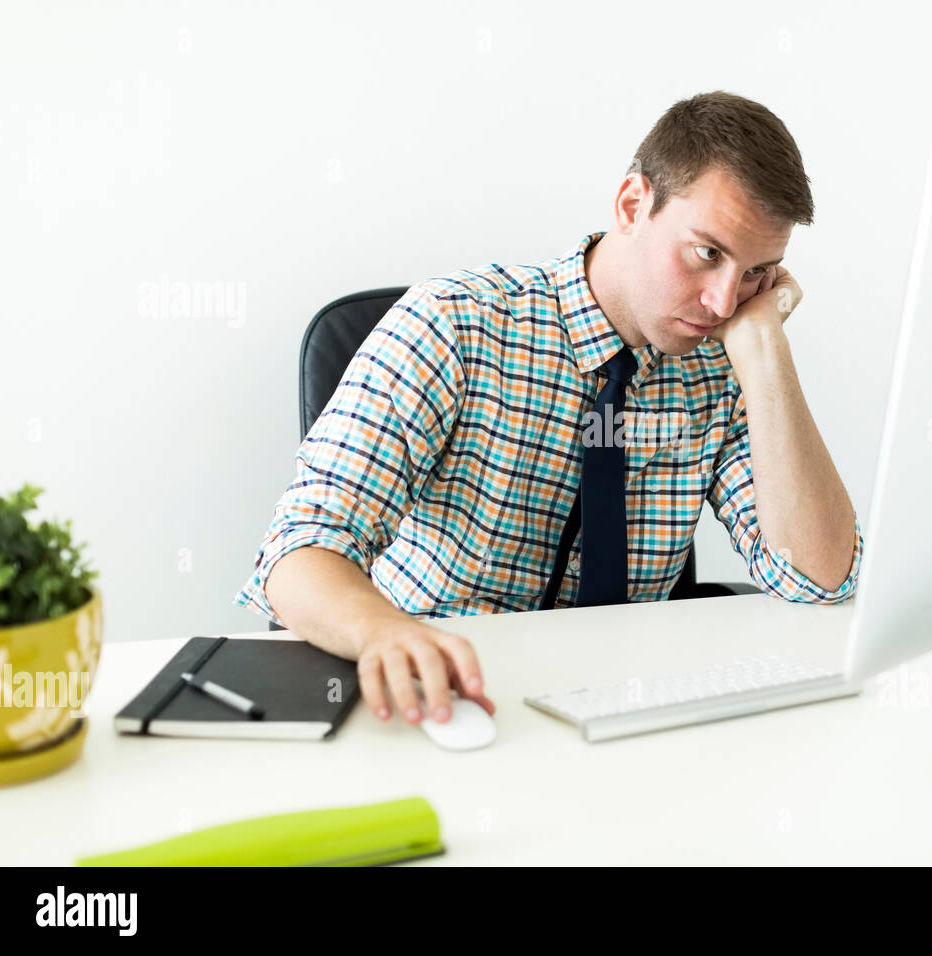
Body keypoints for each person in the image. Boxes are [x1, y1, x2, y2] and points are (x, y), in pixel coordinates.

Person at [233, 90, 863, 728]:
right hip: (454, 703)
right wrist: (383, 635)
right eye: (707, 253)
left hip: (628, 717)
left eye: (759, 272)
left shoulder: (723, 363)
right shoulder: (456, 325)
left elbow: (820, 577)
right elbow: (300, 551)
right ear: (632, 205)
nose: (726, 302)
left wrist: (764, 350)